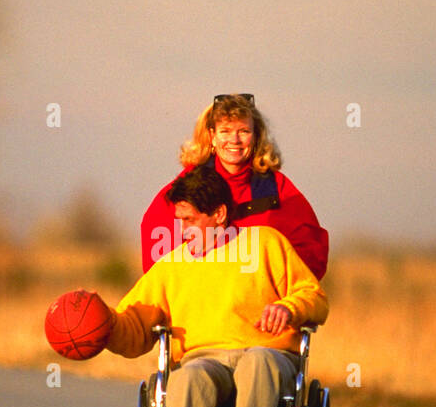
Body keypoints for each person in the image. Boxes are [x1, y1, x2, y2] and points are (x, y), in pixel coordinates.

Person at [109, 165, 327, 407]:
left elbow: (315, 298)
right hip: (206, 362)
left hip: (268, 355)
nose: (183, 230)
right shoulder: (172, 267)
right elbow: (132, 324)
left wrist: (289, 308)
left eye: (191, 220)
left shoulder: (266, 244)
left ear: (219, 215)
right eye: (180, 221)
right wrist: (103, 328)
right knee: (187, 376)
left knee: (257, 361)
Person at [140, 93, 329, 280]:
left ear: (256, 136)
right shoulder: (186, 186)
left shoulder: (278, 190)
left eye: (244, 131)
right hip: (199, 301)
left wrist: (273, 290)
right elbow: (156, 261)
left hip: (260, 304)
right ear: (212, 136)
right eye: (226, 131)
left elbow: (311, 257)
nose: (235, 140)